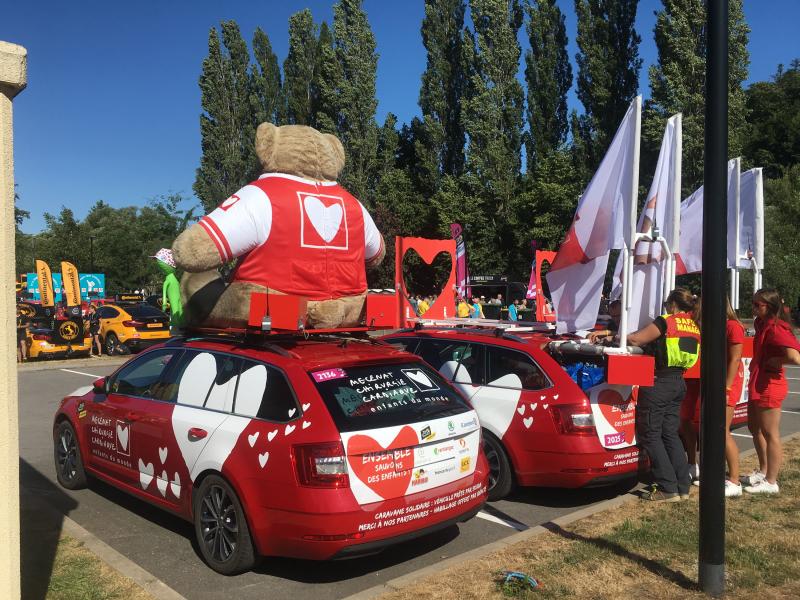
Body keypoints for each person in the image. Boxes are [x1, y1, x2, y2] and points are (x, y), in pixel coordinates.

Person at [625, 288, 700, 502]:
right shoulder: (694, 325)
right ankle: (682, 485)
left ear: (672, 304)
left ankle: (667, 487)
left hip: (659, 382)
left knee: (651, 433)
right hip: (679, 382)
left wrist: (618, 336)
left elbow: (637, 340)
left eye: (667, 303)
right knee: (670, 434)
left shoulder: (667, 320)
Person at [681, 298, 745, 496]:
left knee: (722, 431)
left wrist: (725, 388)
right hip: (711, 379)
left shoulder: (733, 326)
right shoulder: (711, 324)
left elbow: (735, 358)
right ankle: (709, 472)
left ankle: (734, 481)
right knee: (706, 428)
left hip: (727, 381)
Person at [741, 289, 800, 494]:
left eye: (759, 305)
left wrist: (777, 360)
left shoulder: (777, 328)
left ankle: (771, 481)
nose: (754, 308)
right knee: (754, 428)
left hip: (770, 385)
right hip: (759, 382)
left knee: (770, 433)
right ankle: (764, 471)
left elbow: (795, 357)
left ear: (770, 306)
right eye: (753, 303)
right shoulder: (761, 323)